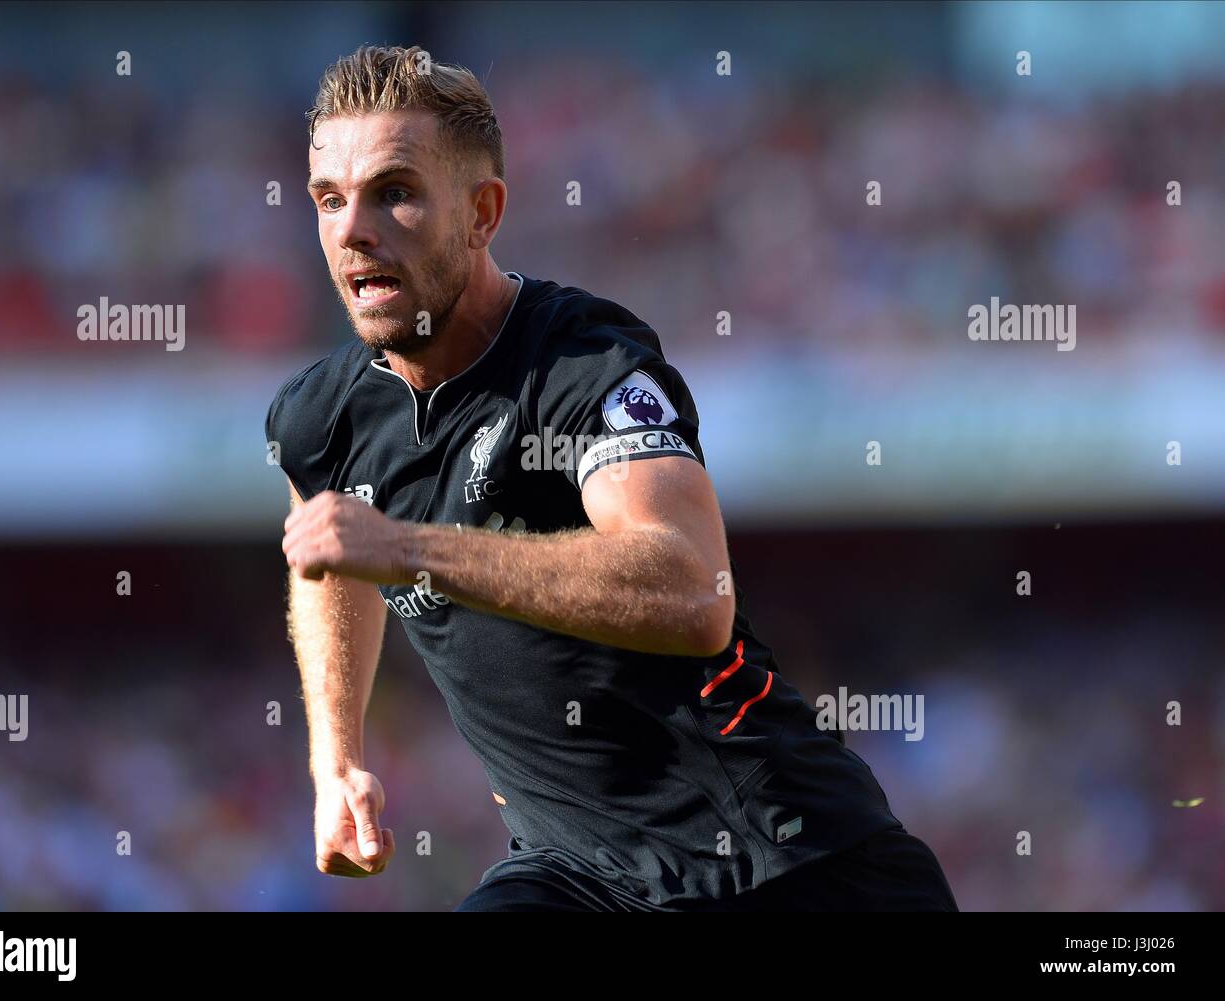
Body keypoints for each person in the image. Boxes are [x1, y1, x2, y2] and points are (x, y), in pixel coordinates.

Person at [268, 44, 956, 912]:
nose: (352, 228)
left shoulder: (586, 364)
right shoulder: (319, 417)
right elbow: (327, 557)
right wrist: (336, 764)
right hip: (575, 878)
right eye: (330, 199)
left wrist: (409, 549)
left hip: (790, 860)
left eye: (394, 192)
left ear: (482, 212)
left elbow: (690, 590)